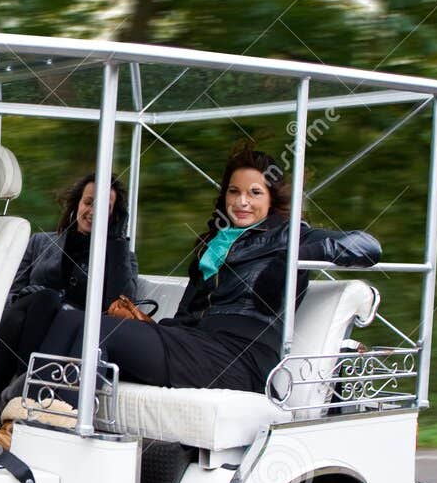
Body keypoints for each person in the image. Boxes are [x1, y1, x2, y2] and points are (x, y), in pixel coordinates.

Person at [33, 139, 381, 395]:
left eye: (255, 193)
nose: (241, 201)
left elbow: (366, 246)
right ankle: (27, 416)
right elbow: (190, 313)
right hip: (195, 343)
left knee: (97, 331)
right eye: (234, 191)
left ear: (271, 198)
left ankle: (45, 422)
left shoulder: (289, 235)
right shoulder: (213, 242)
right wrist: (156, 329)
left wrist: (294, 252)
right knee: (69, 318)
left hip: (240, 357)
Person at [0, 171, 139, 401]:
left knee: (48, 302)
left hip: (71, 334)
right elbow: (9, 296)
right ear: (77, 203)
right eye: (88, 202)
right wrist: (27, 297)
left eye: (104, 208)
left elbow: (120, 306)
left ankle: (5, 395)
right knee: (42, 300)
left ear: (114, 216)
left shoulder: (121, 257)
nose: (92, 212)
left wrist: (117, 242)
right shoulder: (40, 242)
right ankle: (19, 390)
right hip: (24, 320)